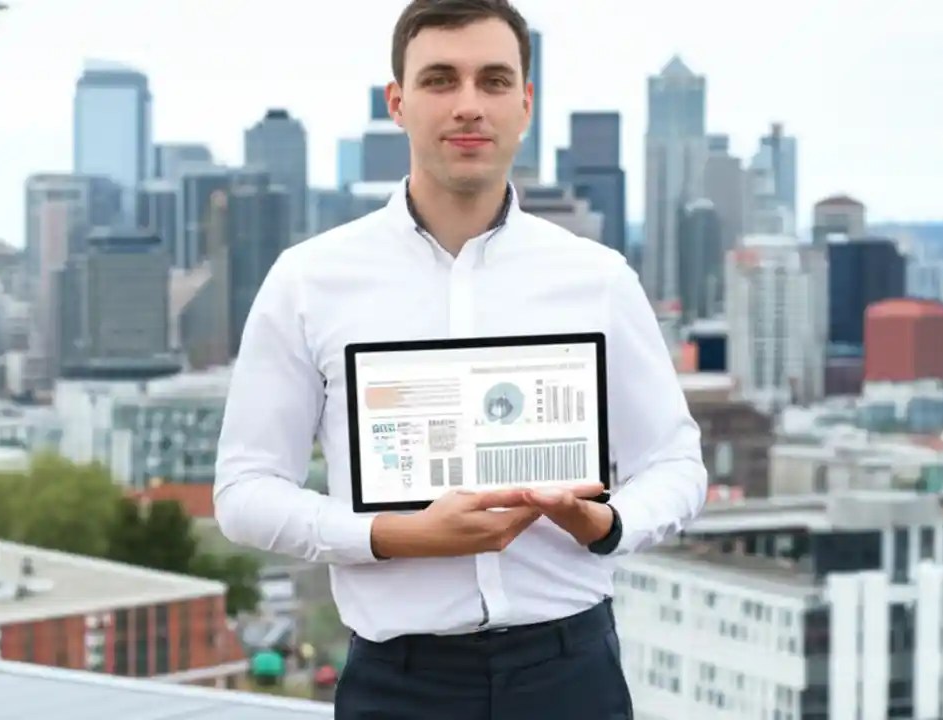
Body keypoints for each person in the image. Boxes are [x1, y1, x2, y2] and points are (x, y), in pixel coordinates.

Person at [213, 1, 707, 717]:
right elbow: (244, 491)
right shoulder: (309, 281)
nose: (469, 105)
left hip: (570, 674)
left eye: (494, 81)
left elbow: (676, 463)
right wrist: (394, 536)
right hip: (400, 680)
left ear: (526, 103)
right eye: (441, 80)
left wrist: (610, 524)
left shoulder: (596, 277)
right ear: (398, 102)